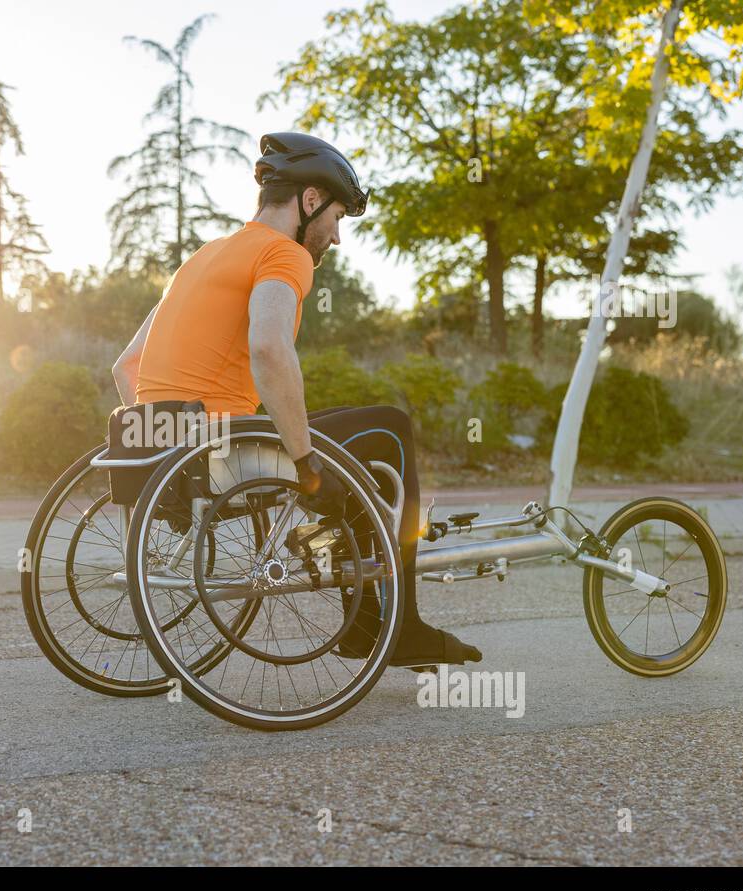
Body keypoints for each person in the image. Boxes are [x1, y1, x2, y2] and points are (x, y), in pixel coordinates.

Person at [111, 131, 481, 668]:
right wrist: (305, 461)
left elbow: (126, 365)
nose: (336, 236)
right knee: (389, 429)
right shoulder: (283, 254)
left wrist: (166, 451)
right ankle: (399, 627)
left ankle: (359, 611)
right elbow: (268, 345)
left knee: (342, 440)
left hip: (176, 452)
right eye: (337, 218)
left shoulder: (204, 257)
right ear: (310, 201)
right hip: (228, 450)